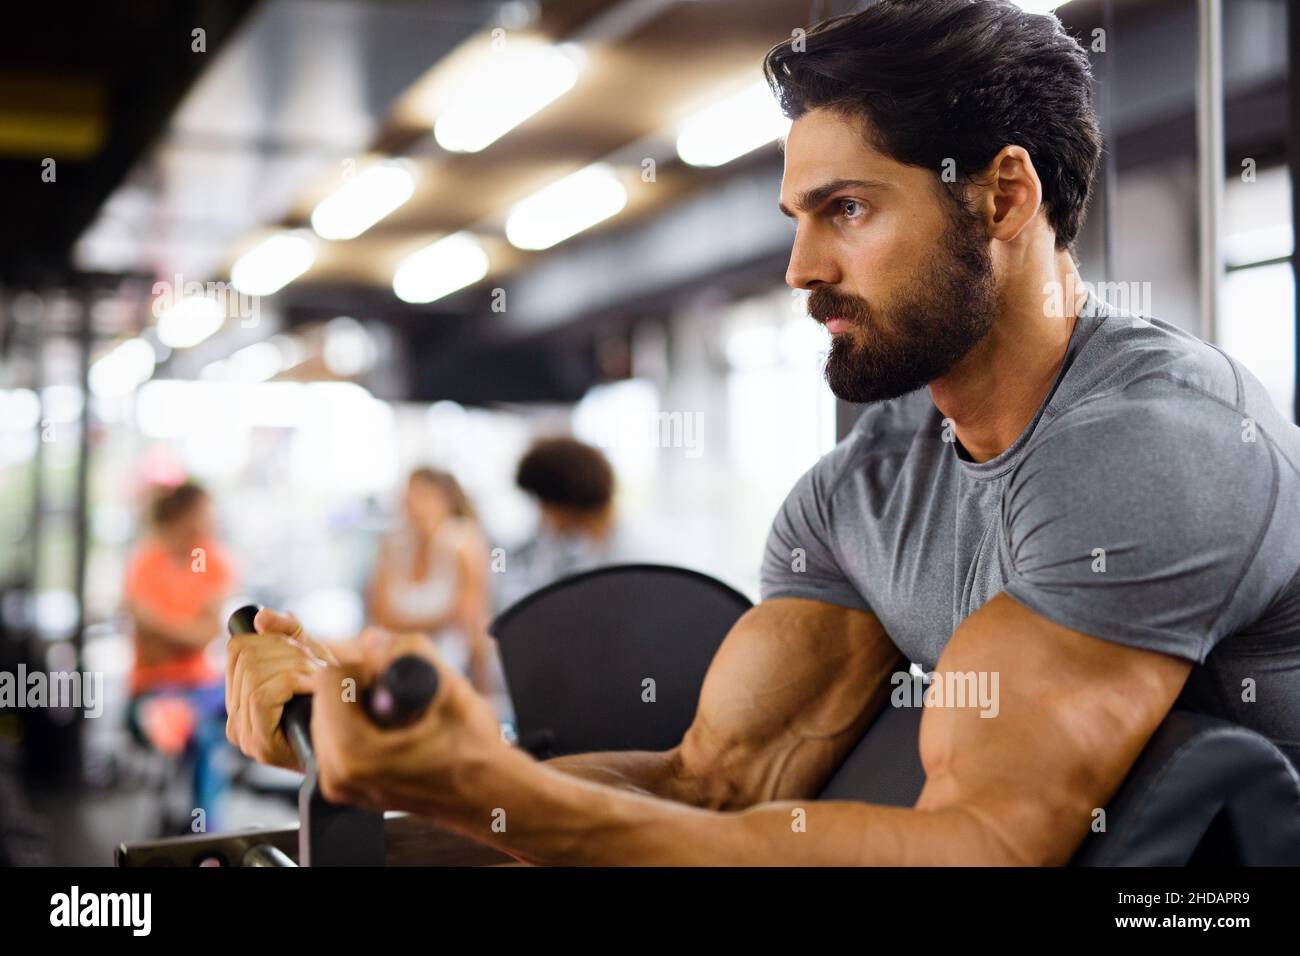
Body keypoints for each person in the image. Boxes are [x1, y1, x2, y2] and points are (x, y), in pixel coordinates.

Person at [224, 0, 1300, 864]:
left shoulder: (1156, 445)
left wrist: (486, 785)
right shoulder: (858, 492)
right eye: (798, 219)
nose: (801, 269)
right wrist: (406, 767)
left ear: (1002, 198)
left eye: (848, 209)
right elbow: (714, 783)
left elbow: (984, 845)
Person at [123, 480, 235, 832]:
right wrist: (188, 631)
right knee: (198, 732)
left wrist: (160, 625)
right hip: (152, 687)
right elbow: (154, 646)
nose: (211, 521)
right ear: (185, 516)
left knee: (203, 727)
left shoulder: (212, 562)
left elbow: (205, 636)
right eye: (204, 513)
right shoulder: (146, 561)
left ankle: (199, 828)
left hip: (203, 687)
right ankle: (203, 832)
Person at [369, 468, 491, 693]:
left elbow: (471, 619)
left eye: (421, 495)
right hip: (395, 671)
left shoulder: (464, 541)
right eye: (408, 496)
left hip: (452, 674)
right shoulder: (392, 545)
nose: (412, 505)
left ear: (444, 498)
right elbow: (379, 616)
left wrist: (483, 691)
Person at [494, 437, 634, 610]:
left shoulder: (633, 555)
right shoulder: (577, 547)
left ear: (565, 504)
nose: (543, 517)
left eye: (544, 504)